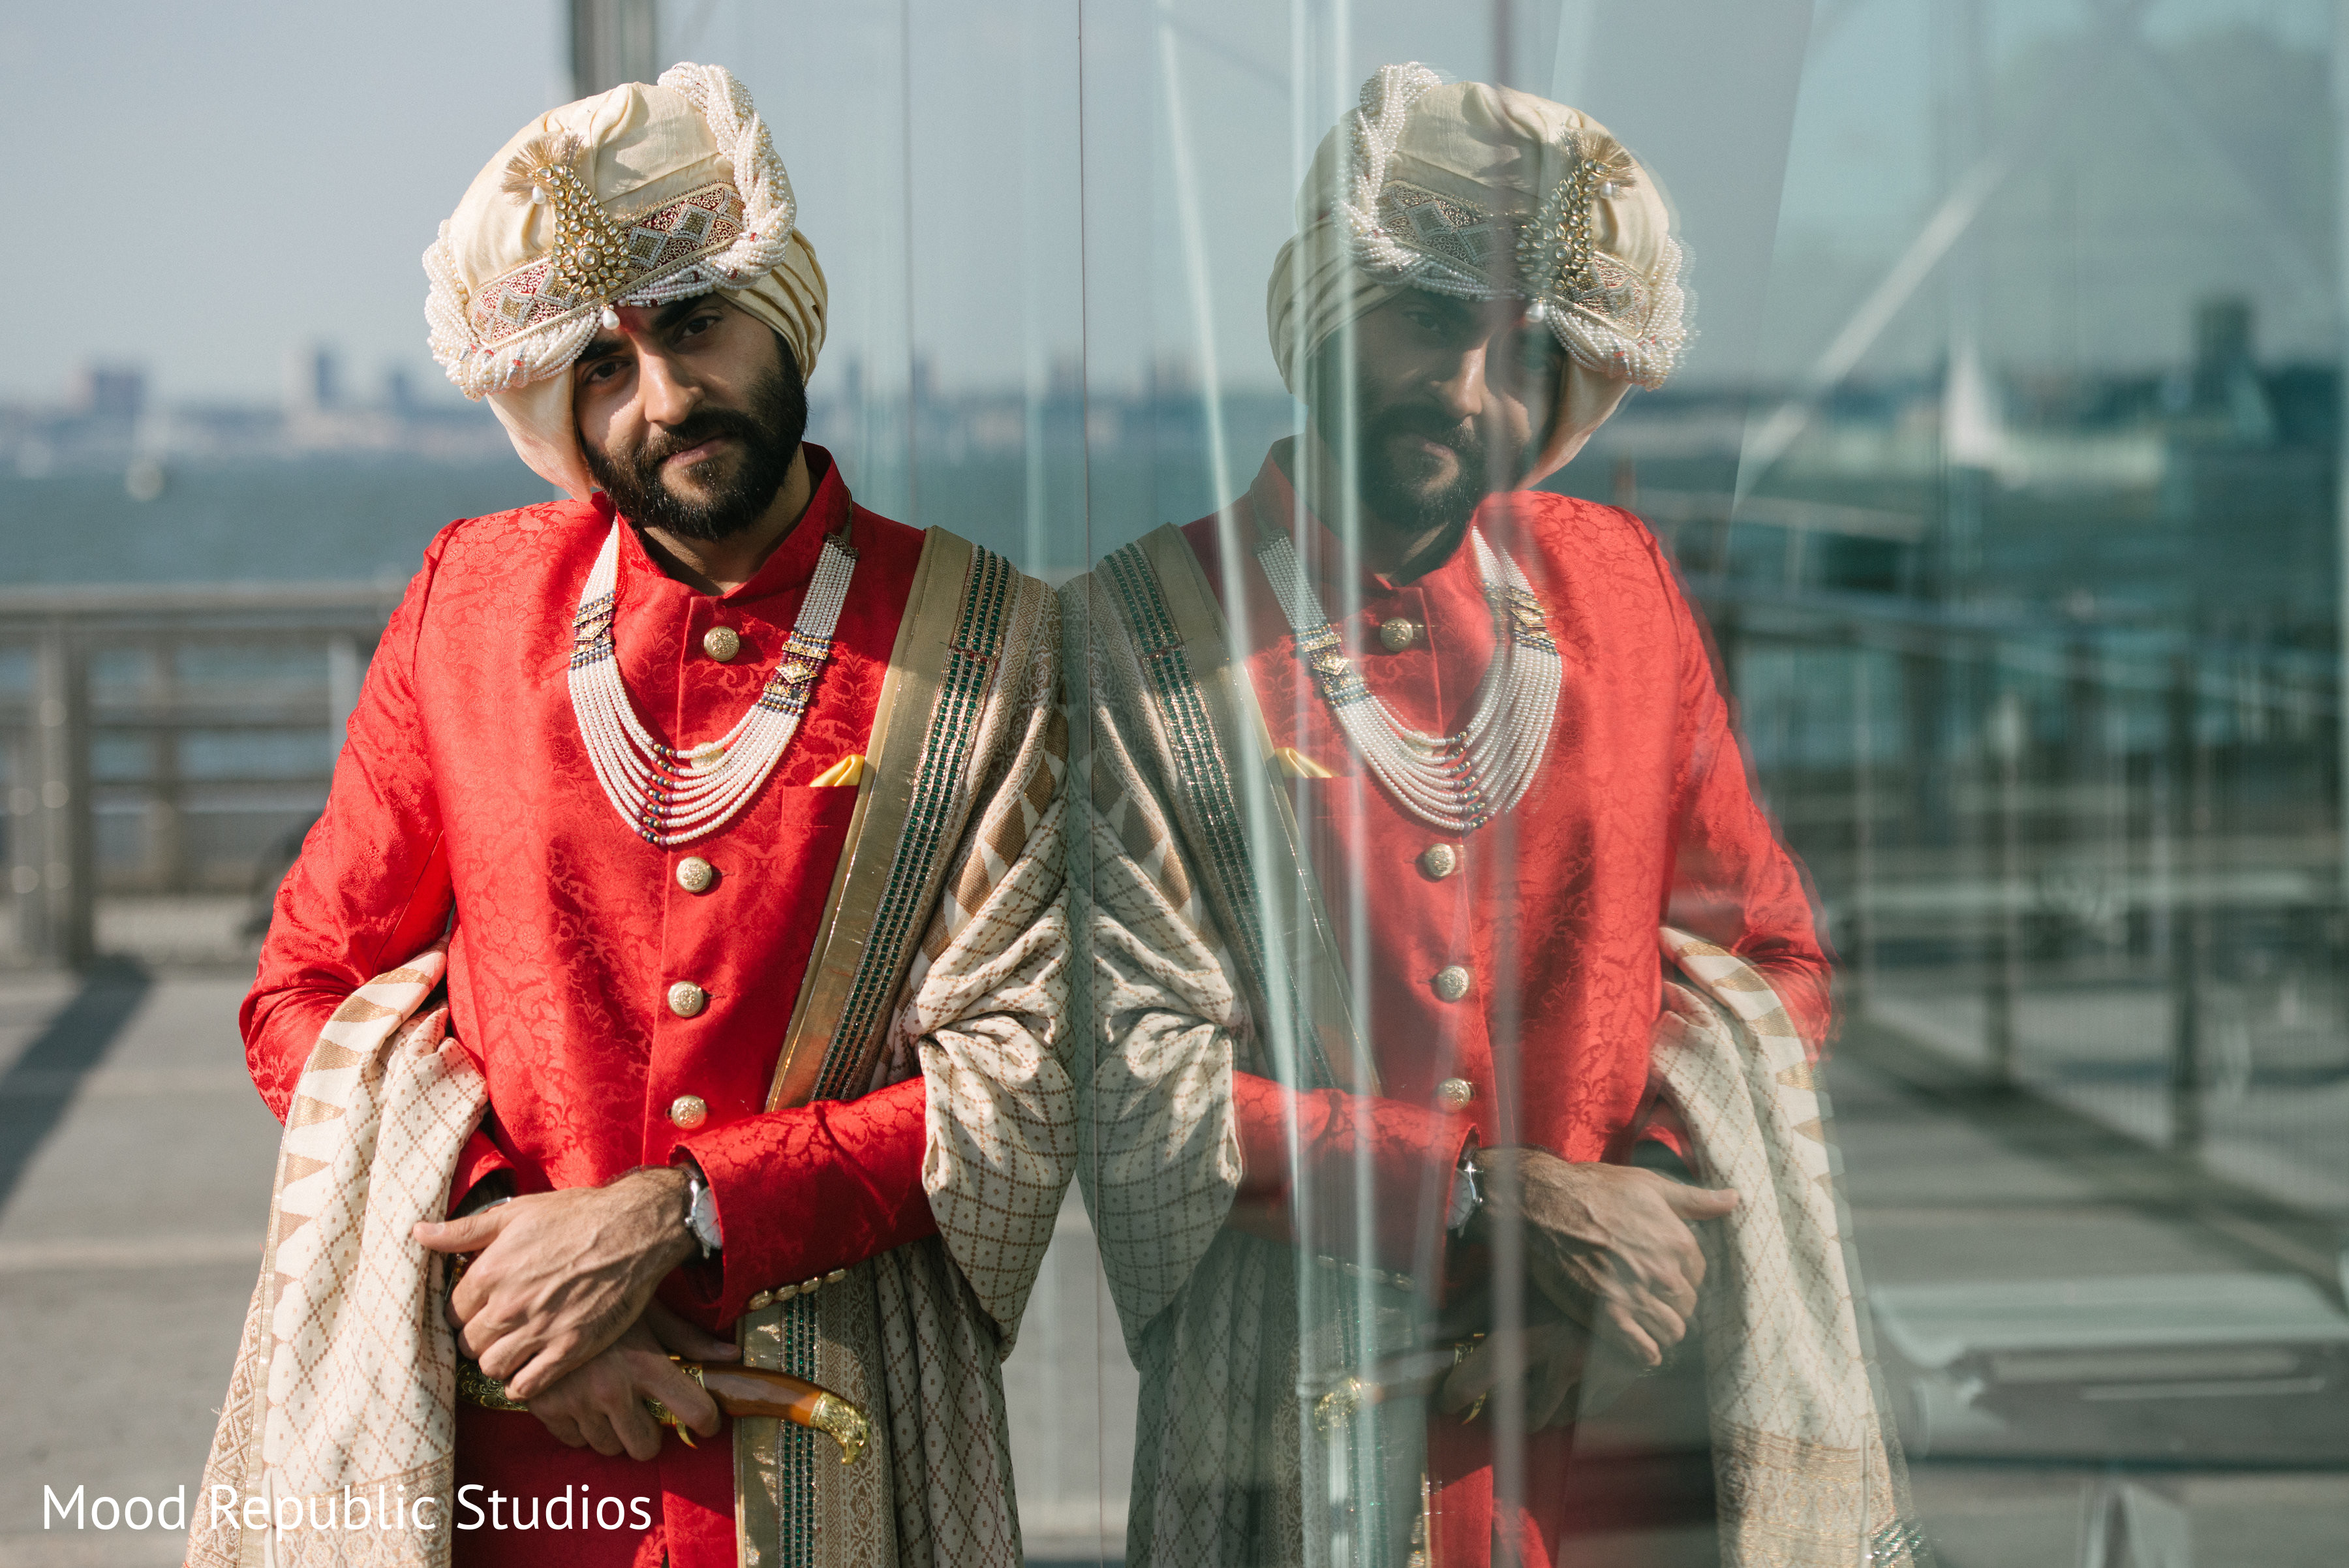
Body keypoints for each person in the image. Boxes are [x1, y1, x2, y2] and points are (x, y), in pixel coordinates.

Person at [218, 64, 1072, 1568]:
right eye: (601, 368)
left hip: (835, 1436)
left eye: (692, 326)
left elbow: (1027, 1070)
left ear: (781, 310)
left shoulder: (985, 640)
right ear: (557, 406)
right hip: (509, 1446)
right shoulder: (469, 606)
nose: (665, 396)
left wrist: (675, 1215)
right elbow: (308, 987)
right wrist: (515, 1275)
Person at [1075, 65, 1911, 1567]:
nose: (1467, 389)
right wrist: (1484, 1198)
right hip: (1293, 1421)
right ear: (1321, 306)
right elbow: (1136, 1091)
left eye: (1524, 349)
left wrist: (1638, 1217)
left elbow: (1770, 954)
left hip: (1619, 1428)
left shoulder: (1622, 587)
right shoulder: (1137, 631)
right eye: (1428, 318)